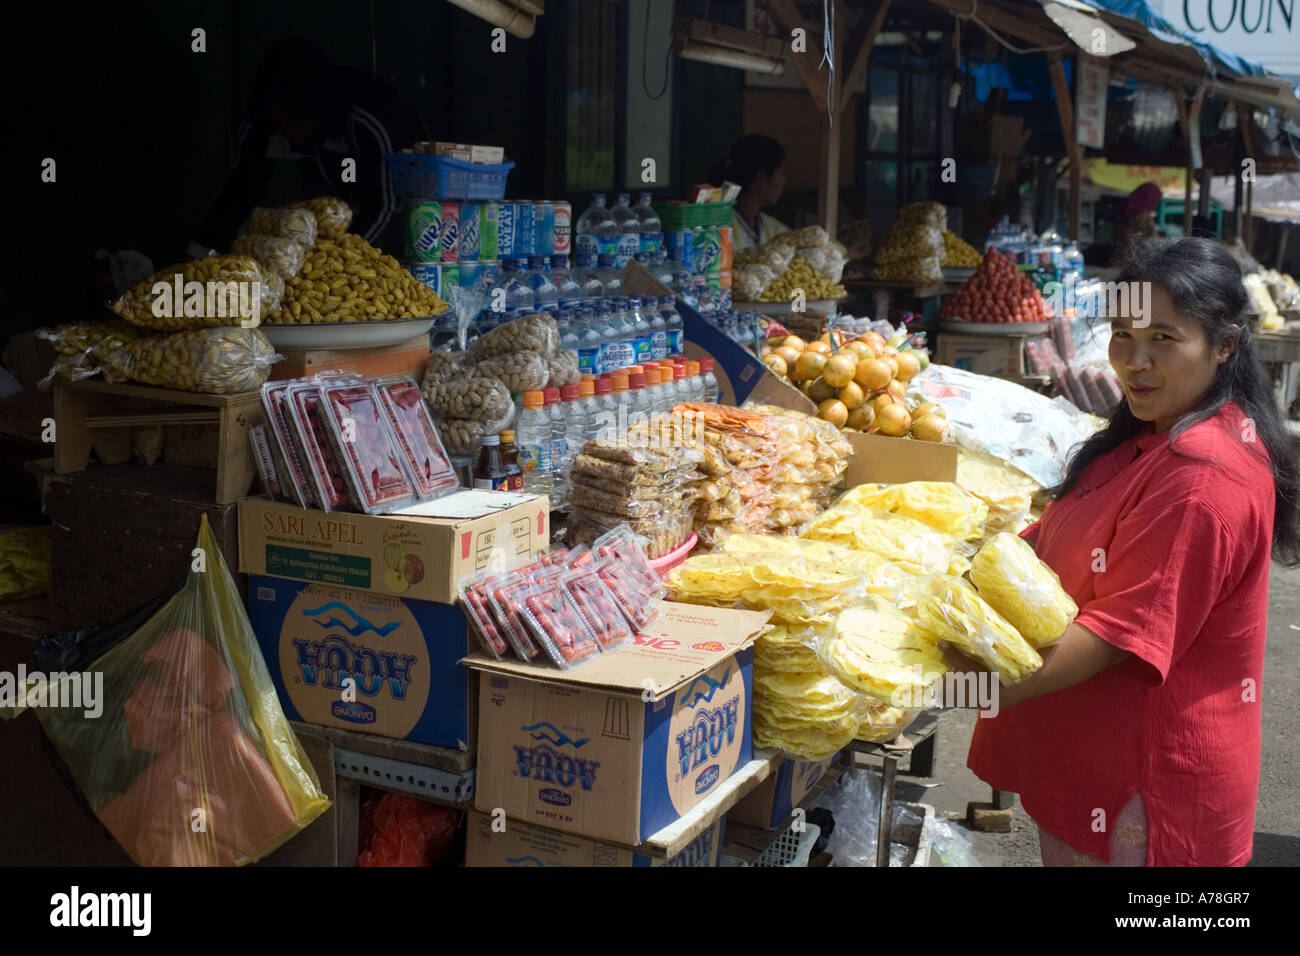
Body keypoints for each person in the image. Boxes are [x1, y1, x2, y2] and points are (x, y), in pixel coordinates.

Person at [959, 237, 1299, 867]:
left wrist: (953, 686)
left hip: (1143, 794)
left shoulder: (1204, 476)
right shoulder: (1153, 432)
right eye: (1122, 335)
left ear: (1224, 345)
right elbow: (1065, 535)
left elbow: (1118, 635)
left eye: (1164, 340)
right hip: (1087, 764)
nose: (1134, 362)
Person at [190, 37, 427, 258]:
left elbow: (384, 203)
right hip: (331, 181)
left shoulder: (368, 121)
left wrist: (338, 260)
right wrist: (199, 251)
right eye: (281, 122)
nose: (289, 132)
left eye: (298, 123)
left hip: (403, 196)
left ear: (319, 113)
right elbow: (239, 191)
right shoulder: (265, 125)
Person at [709, 134, 790, 251]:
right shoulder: (720, 224)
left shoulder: (770, 227)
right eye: (782, 175)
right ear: (762, 178)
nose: (784, 183)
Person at [1083, 182, 1162, 267]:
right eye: (1154, 200)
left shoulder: (1124, 211)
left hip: (1116, 262)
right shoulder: (1143, 219)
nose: (1155, 204)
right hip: (1132, 265)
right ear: (1149, 198)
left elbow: (1106, 237)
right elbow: (1153, 243)